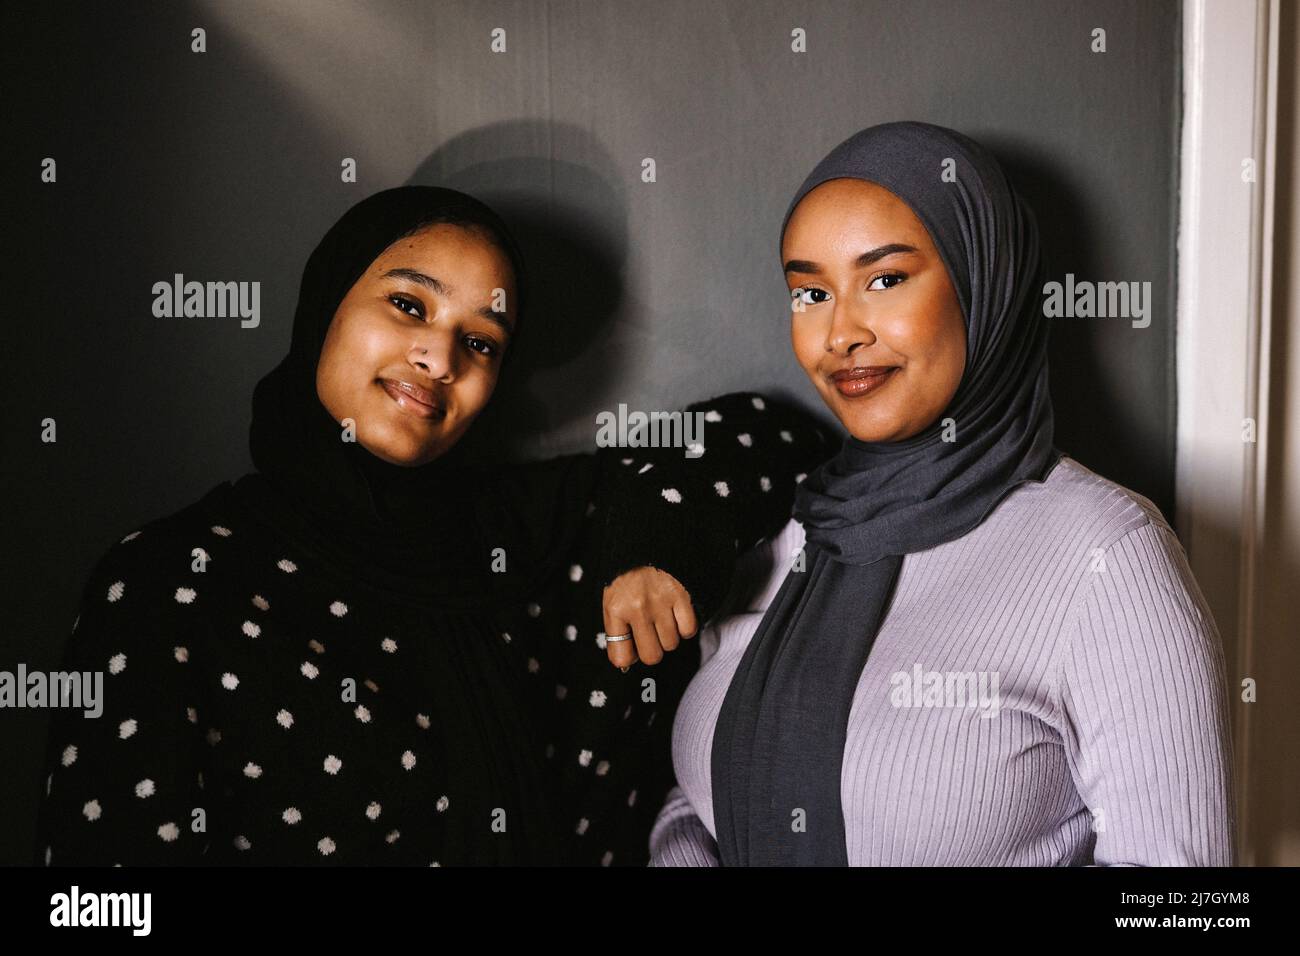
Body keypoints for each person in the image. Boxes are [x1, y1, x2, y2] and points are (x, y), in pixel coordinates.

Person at [35, 185, 832, 866]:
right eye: (409, 304)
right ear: (325, 307)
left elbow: (771, 434)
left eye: (479, 342)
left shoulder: (540, 534)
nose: (439, 357)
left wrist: (661, 544)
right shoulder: (173, 584)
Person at [649, 121, 1236, 866]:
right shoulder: (790, 525)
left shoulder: (1106, 555)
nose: (840, 333)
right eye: (810, 292)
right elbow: (697, 798)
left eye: (885, 279)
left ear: (979, 279)